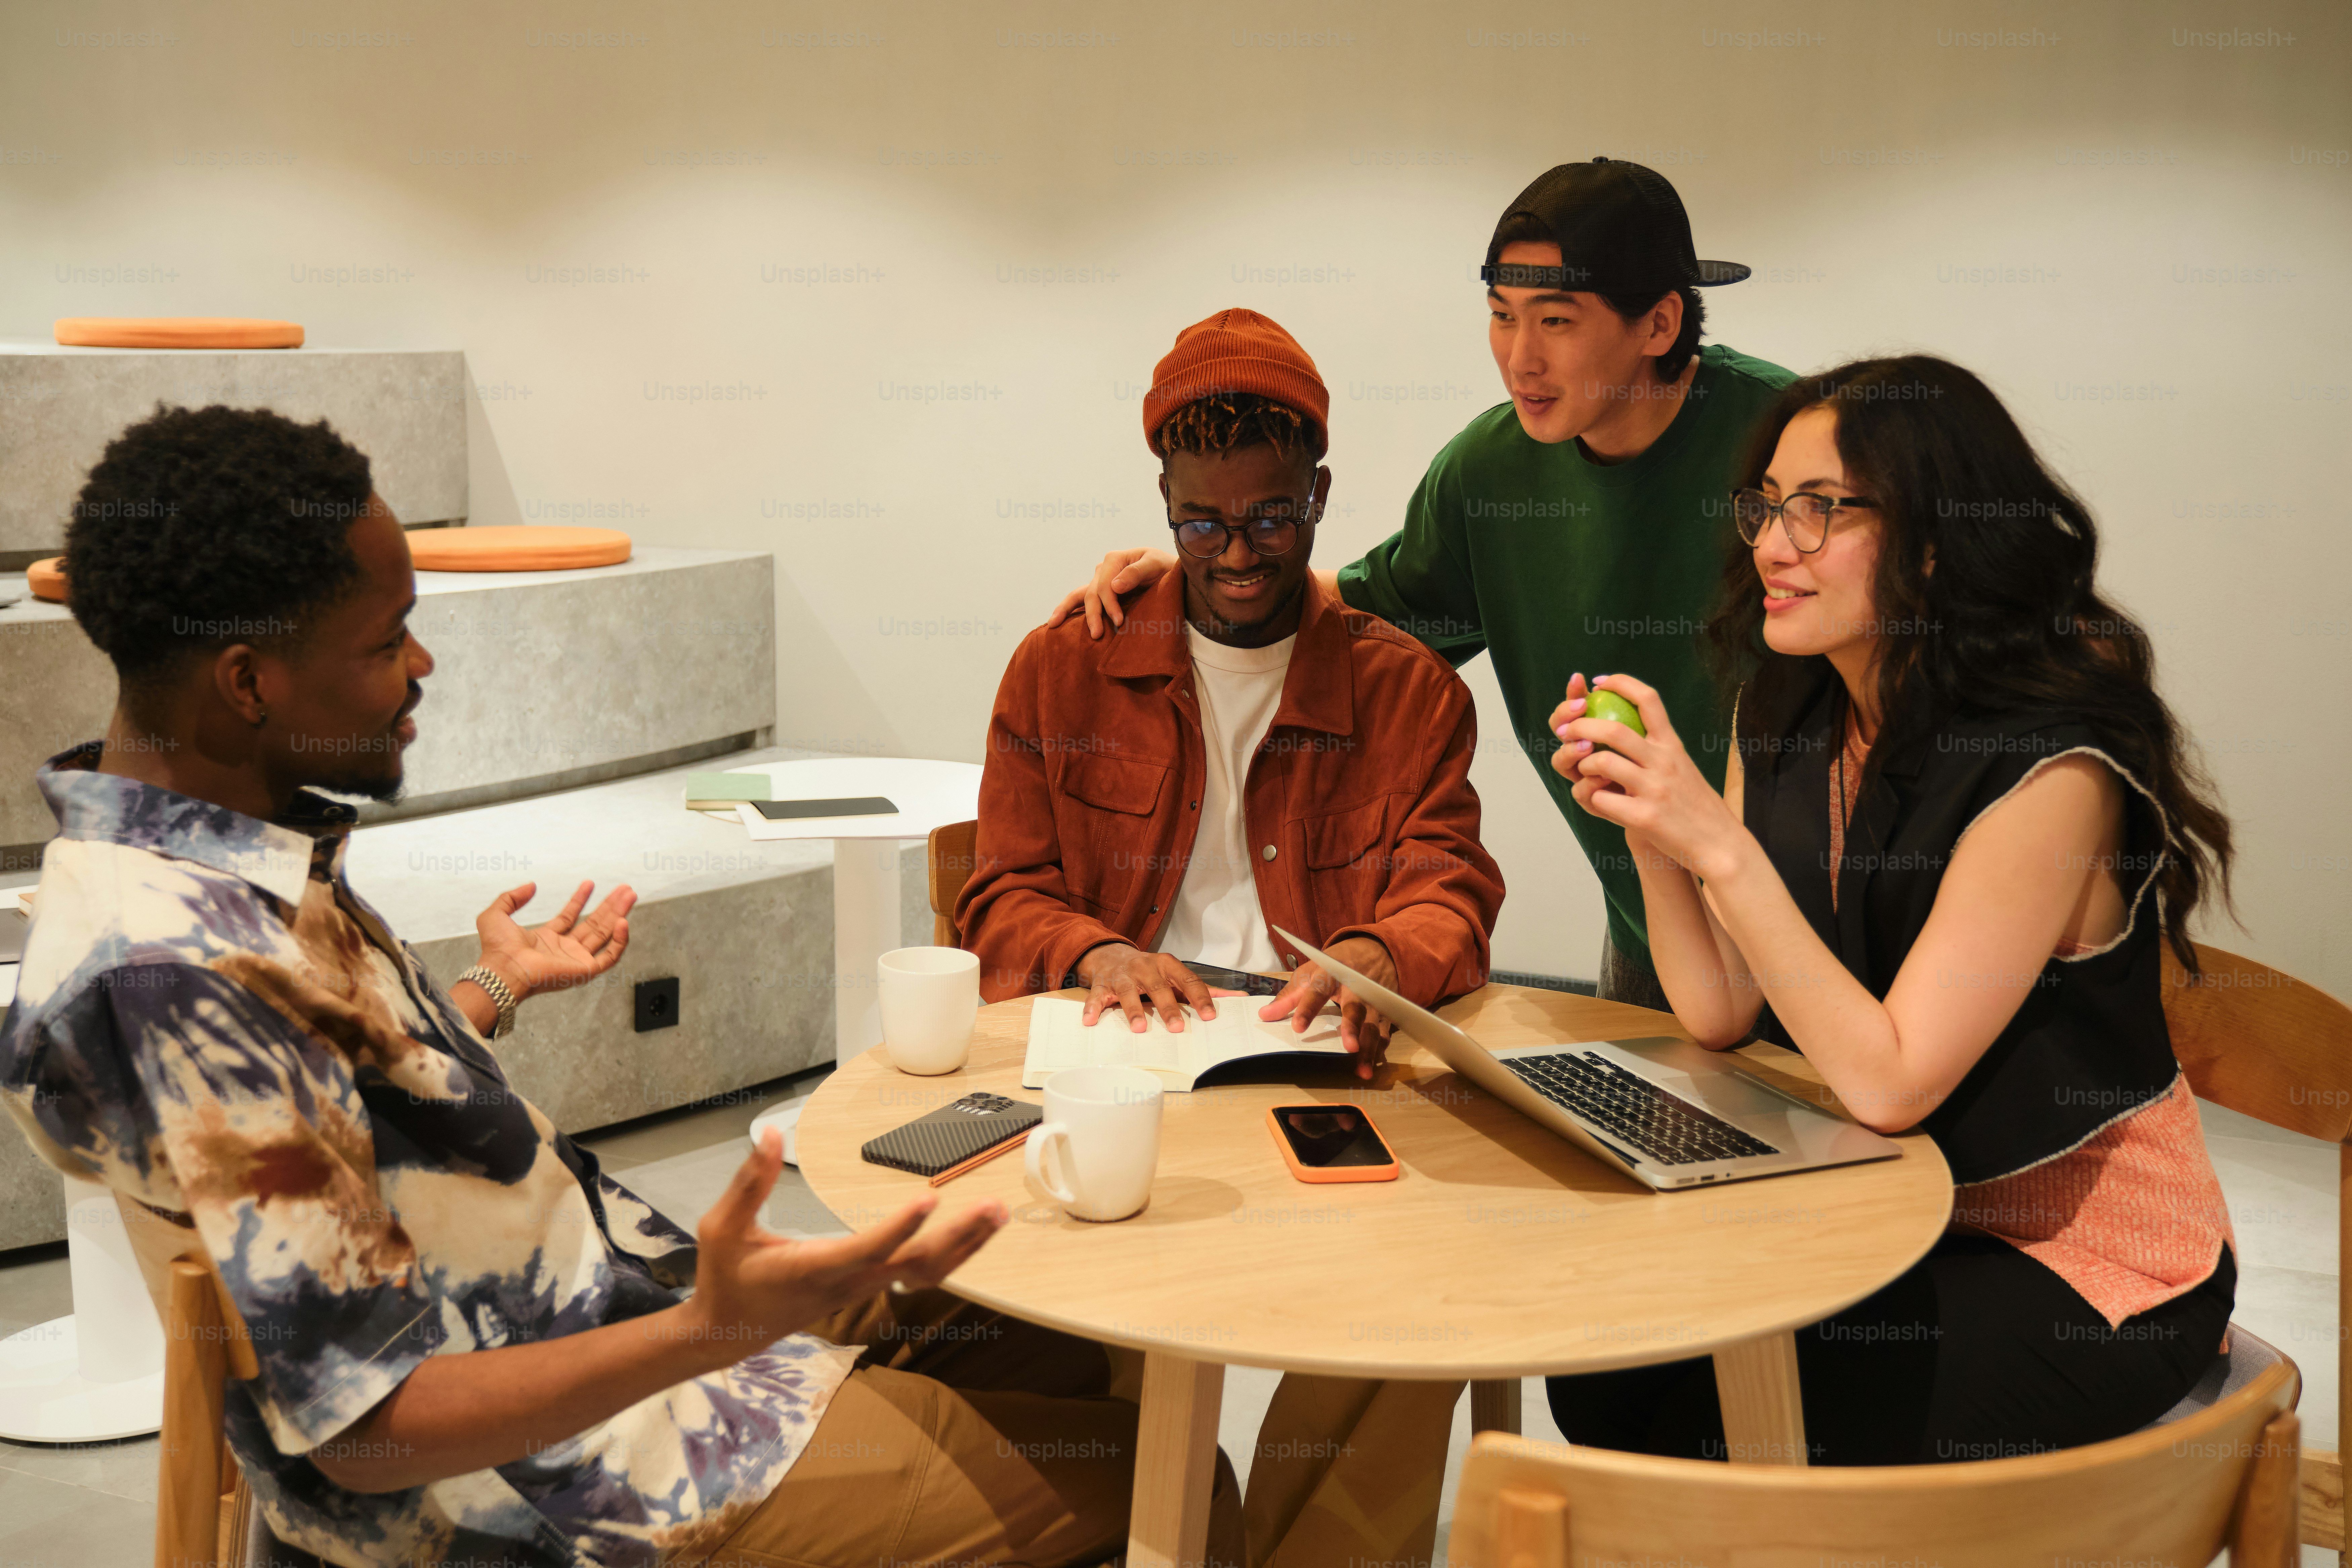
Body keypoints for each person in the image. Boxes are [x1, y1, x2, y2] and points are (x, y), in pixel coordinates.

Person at [0, 405, 1229, 1568]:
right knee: (1173, 1475)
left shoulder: (218, 859)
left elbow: (315, 1102)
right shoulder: (169, 969)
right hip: (570, 1483)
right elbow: (368, 1427)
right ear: (247, 680)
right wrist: (715, 1332)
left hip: (619, 1319)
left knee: (1082, 1337)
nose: (421, 665)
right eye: (385, 643)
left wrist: (481, 991)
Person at [1542, 355, 2238, 1463]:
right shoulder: (1787, 696)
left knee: (1740, 1409)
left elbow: (1890, 1077)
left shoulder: (2051, 767)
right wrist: (1654, 826)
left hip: (2078, 1257)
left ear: (1931, 540)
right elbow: (1721, 1007)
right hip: (1891, 1209)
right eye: (1768, 503)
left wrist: (1716, 841)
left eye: (1820, 510)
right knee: (1613, 1371)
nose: (1772, 542)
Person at [959, 309, 1503, 1566]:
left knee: (1423, 1307)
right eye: (1202, 523)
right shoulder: (1064, 668)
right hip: (1123, 1060)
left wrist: (1377, 954)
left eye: (1271, 517)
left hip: (1321, 1056)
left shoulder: (1408, 688)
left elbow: (1452, 889)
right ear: (1163, 502)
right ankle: (1158, 1524)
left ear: (1321, 494)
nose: (1239, 555)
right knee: (1023, 1297)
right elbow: (1000, 892)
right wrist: (1095, 950)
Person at [1051, 159, 1790, 1011]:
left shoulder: (1785, 440)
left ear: (1659, 323)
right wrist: (1194, 563)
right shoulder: (1490, 472)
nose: (1520, 358)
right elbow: (1375, 607)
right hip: (1654, 929)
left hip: (1825, 915)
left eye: (1555, 320)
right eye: (1501, 317)